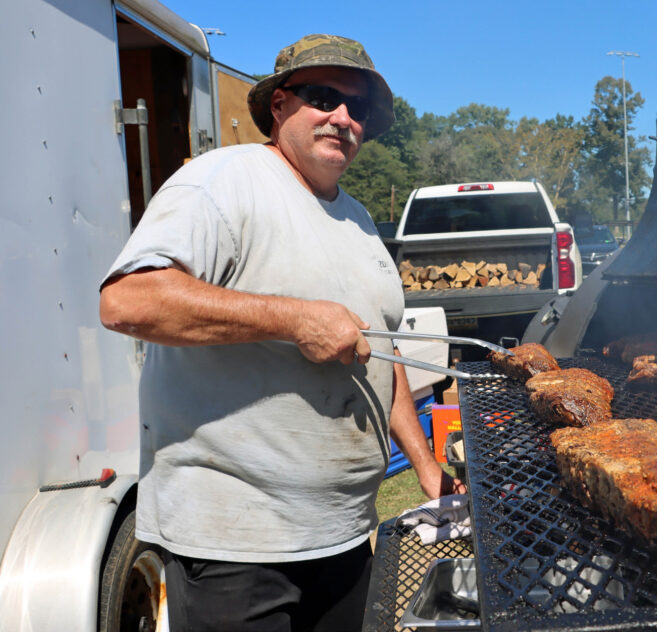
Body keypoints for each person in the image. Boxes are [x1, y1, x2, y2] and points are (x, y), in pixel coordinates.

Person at [99, 34, 464, 631]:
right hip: (237, 546)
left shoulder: (360, 220)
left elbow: (385, 354)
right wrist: (294, 319)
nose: (342, 118)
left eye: (358, 109)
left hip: (344, 533)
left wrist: (425, 468)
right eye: (323, 97)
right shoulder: (223, 181)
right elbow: (127, 301)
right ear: (279, 106)